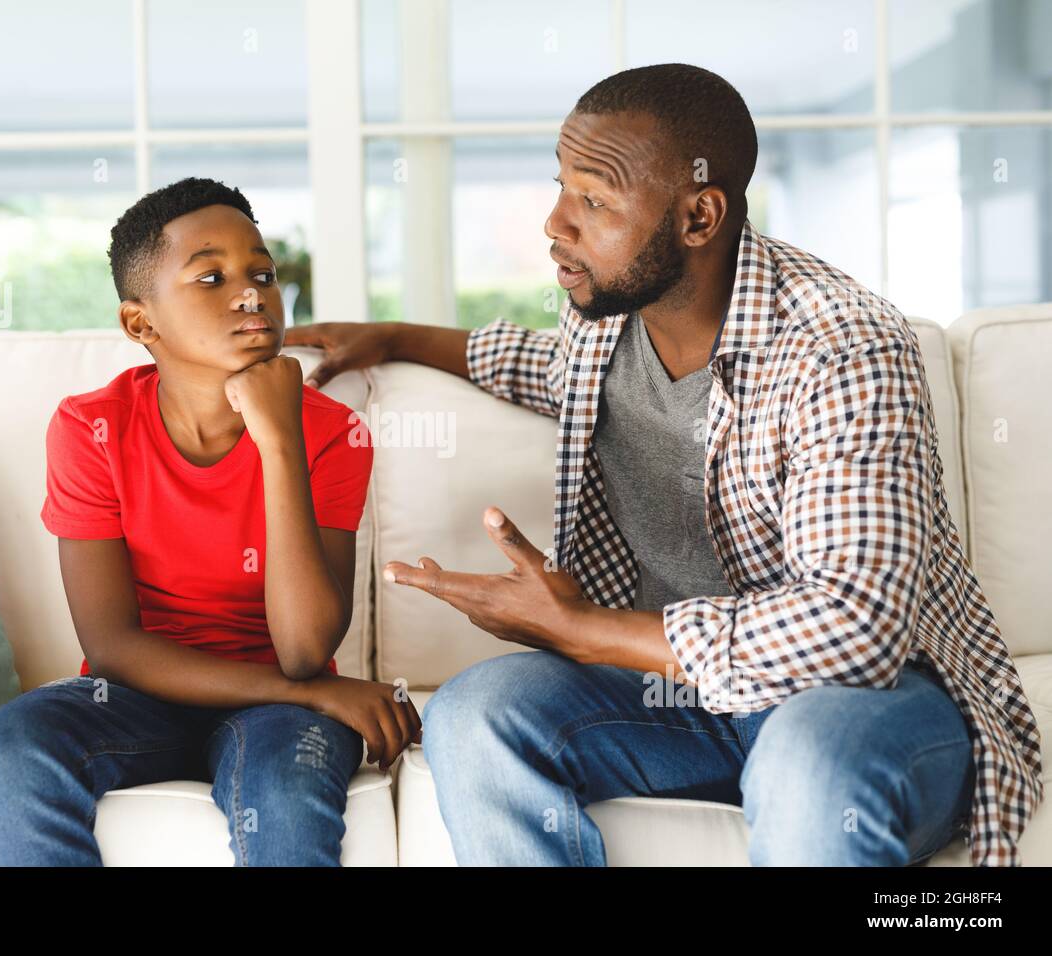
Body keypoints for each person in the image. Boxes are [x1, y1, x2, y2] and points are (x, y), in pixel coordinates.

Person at [284, 64, 1043, 866]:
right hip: (684, 700)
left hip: (864, 703)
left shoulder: (842, 350)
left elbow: (854, 628)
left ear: (699, 216)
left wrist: (584, 630)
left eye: (594, 201)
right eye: (561, 187)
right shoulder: (606, 326)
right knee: (473, 713)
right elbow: (529, 363)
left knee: (804, 764)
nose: (554, 223)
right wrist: (395, 337)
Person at [0, 177, 421, 866]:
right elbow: (112, 645)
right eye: (211, 276)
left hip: (283, 708)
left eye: (262, 273)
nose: (251, 292)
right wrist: (324, 691)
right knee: (9, 745)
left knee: (288, 794)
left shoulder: (330, 433)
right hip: (138, 696)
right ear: (141, 324)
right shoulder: (92, 427)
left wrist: (279, 441)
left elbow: (301, 649)